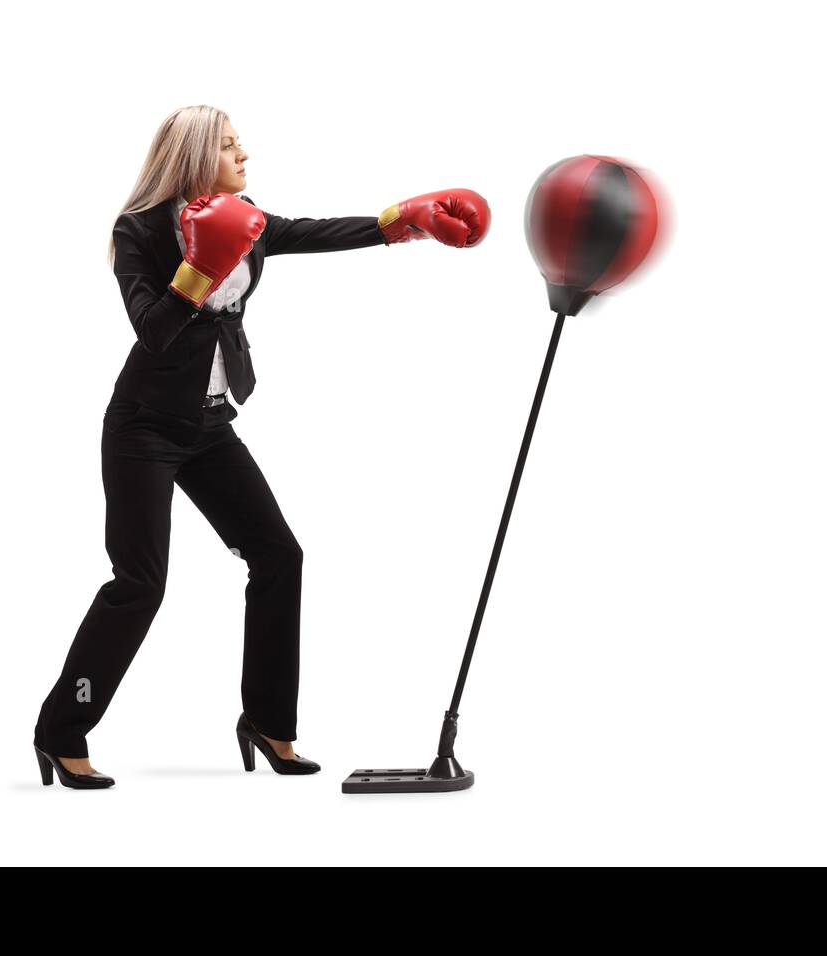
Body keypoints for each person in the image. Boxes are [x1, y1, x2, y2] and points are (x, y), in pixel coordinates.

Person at [32, 105, 490, 789]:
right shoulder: (138, 230)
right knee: (141, 585)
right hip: (143, 428)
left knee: (279, 555)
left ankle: (270, 723)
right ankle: (60, 732)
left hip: (210, 424)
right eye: (226, 143)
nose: (242, 150)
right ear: (191, 157)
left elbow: (313, 232)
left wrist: (404, 220)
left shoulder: (243, 216)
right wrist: (198, 267)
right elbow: (153, 331)